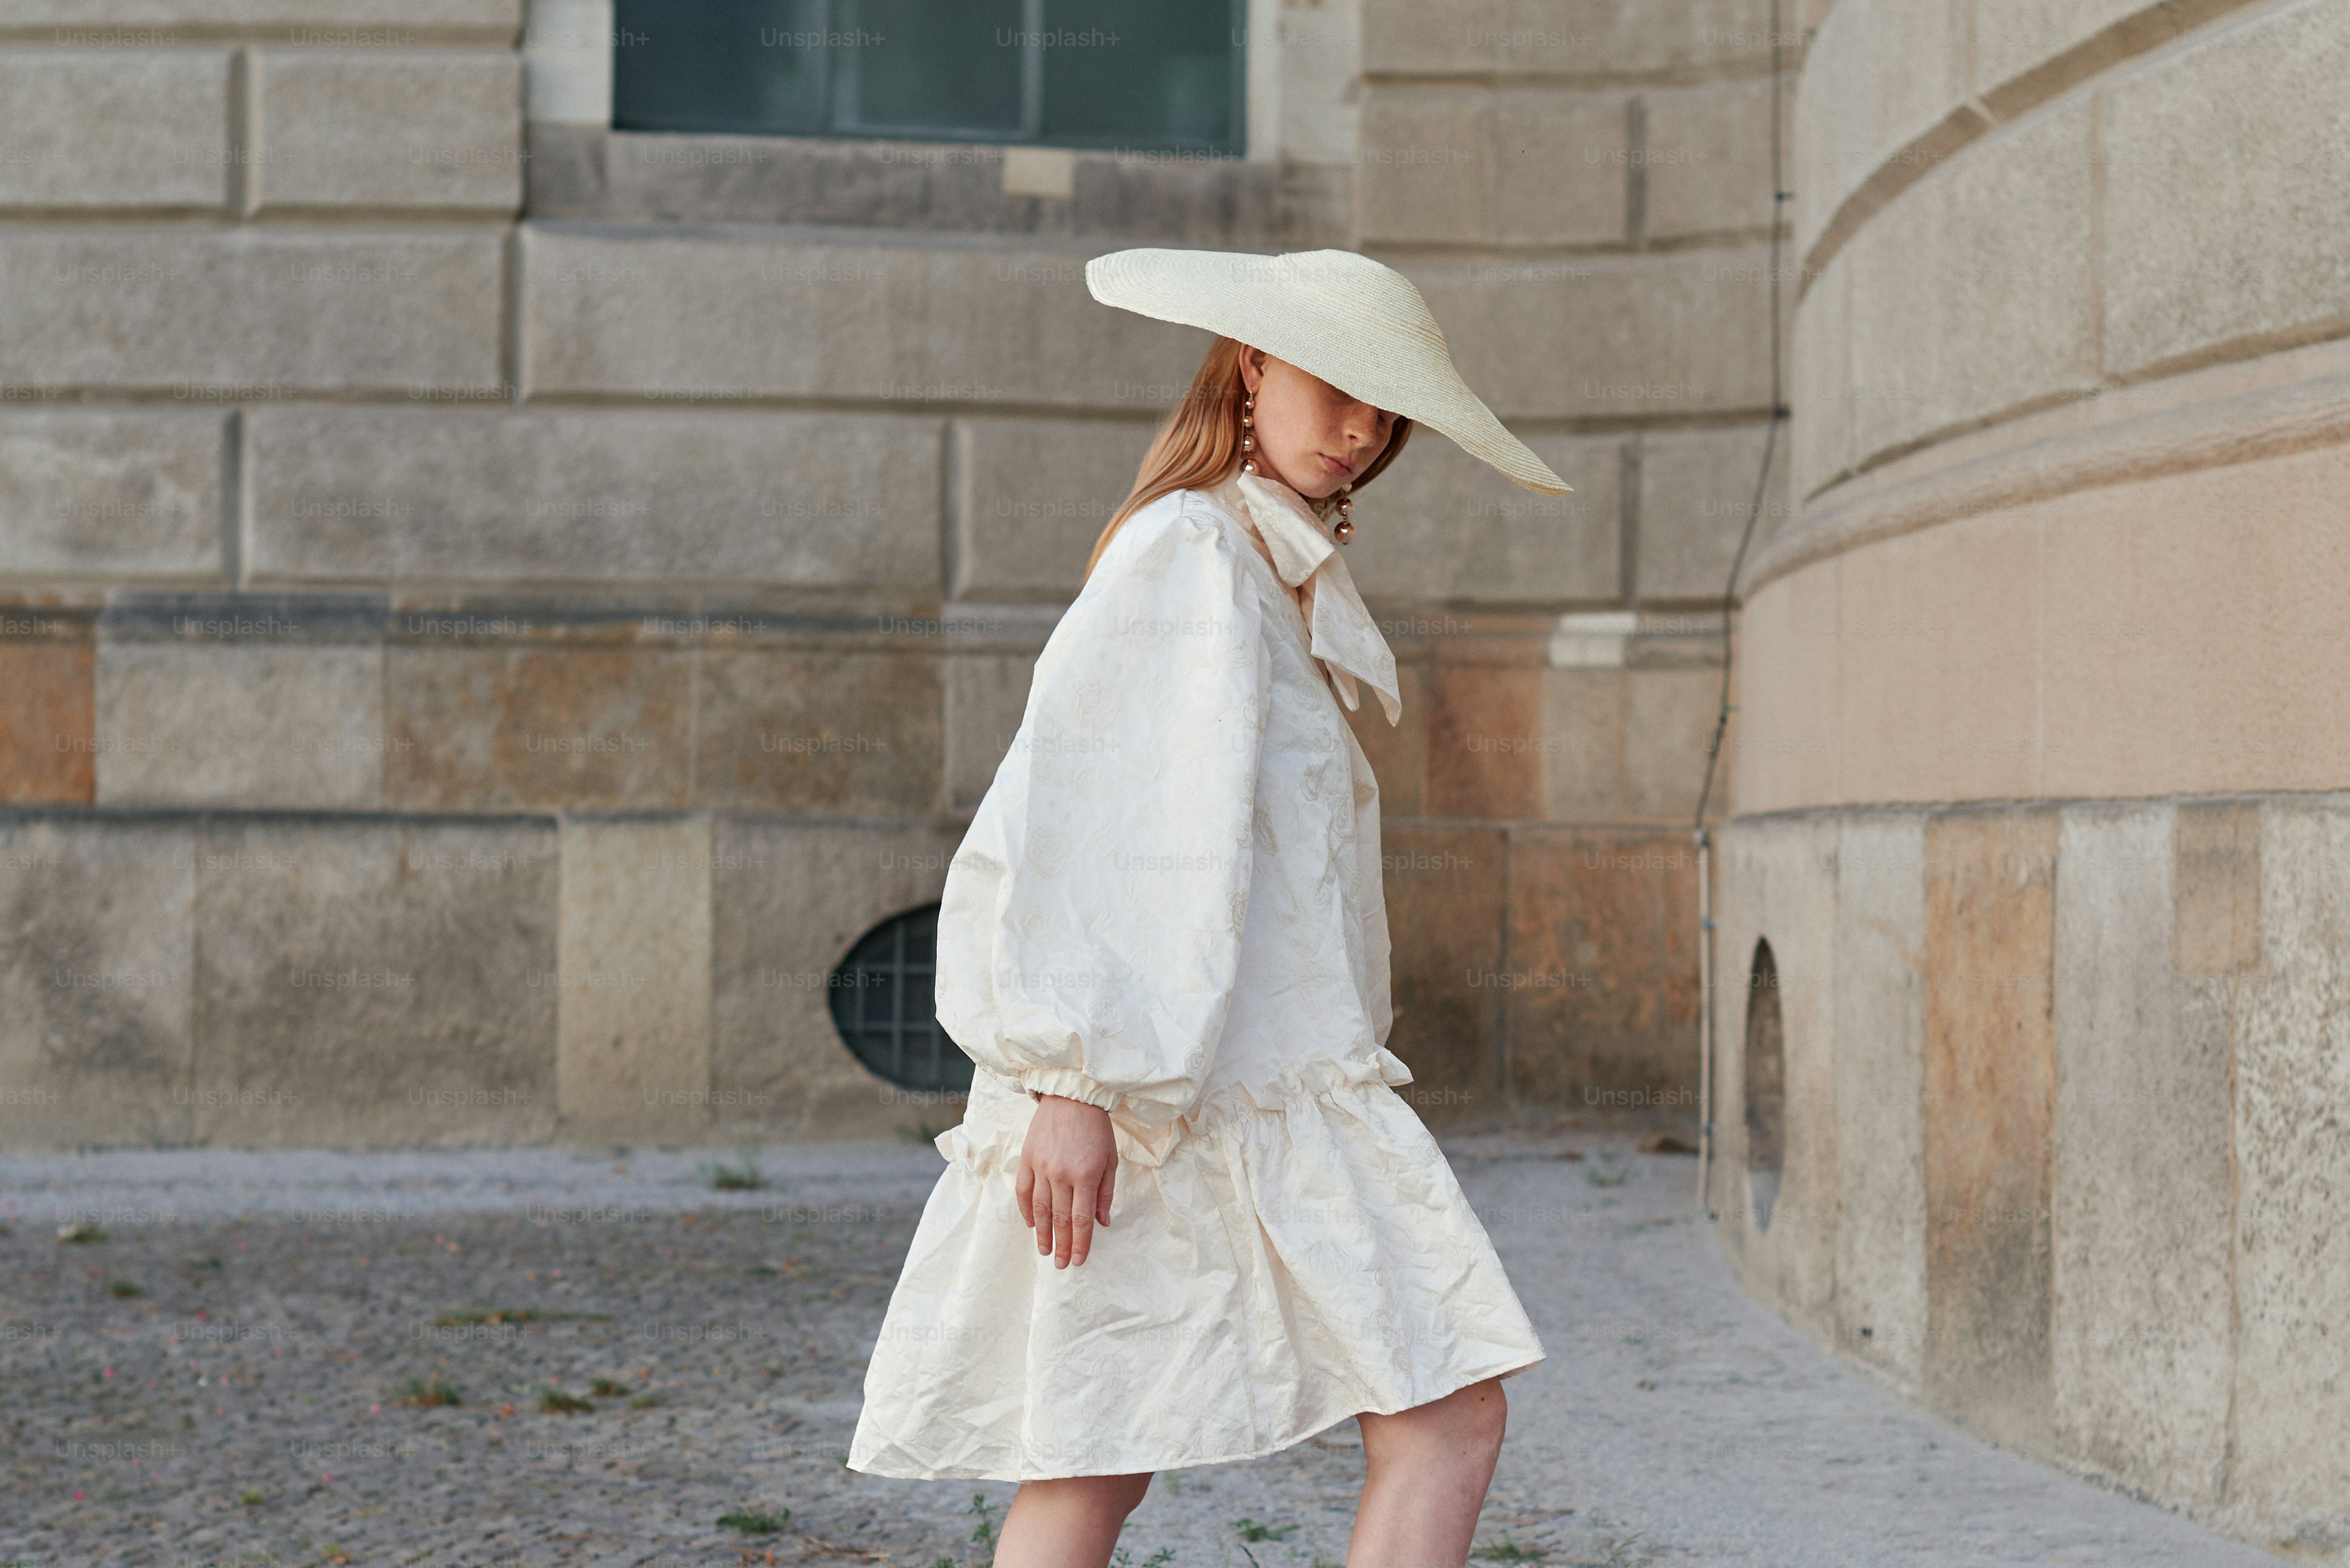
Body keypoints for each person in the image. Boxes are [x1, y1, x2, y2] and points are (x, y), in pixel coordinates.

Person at [848, 248, 1575, 1568]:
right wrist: (1069, 1080)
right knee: (1390, 1417)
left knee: (1119, 1447)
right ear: (1251, 363)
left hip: (1254, 1077)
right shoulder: (1190, 556)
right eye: (1340, 389)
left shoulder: (1258, 566)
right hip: (1175, 1087)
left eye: (1391, 410)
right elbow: (1088, 818)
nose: (1366, 431)